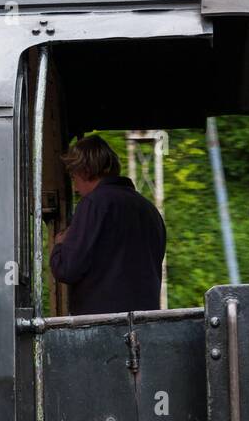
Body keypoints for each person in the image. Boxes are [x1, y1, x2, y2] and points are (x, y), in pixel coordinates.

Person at [50, 135, 166, 315]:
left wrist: (59, 245)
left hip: (103, 327)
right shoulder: (149, 209)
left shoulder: (93, 204)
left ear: (86, 170)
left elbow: (68, 268)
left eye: (74, 178)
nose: (75, 188)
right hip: (147, 324)